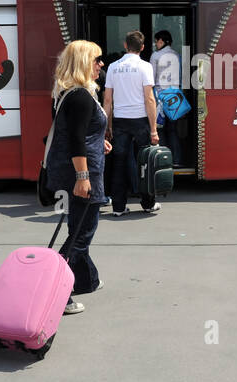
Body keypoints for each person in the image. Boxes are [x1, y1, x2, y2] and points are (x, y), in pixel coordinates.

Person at [45, 40, 112, 314]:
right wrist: (83, 177)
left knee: (79, 229)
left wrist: (100, 141)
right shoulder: (81, 97)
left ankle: (87, 280)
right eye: (97, 59)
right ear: (85, 62)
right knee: (81, 234)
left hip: (74, 170)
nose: (101, 64)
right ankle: (57, 293)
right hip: (83, 175)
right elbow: (75, 139)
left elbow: (80, 134)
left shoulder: (67, 94)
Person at [103, 30, 160, 216]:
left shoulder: (112, 67)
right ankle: (148, 203)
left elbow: (108, 101)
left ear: (125, 45)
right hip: (141, 120)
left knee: (119, 163)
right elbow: (149, 99)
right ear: (142, 47)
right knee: (145, 163)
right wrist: (153, 129)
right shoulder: (145, 67)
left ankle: (118, 207)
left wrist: (107, 127)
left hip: (119, 120)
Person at [150, 29, 183, 167]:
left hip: (160, 97)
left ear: (161, 41)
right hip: (175, 96)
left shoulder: (156, 56)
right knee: (173, 130)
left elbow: (150, 78)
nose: (156, 44)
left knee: (160, 129)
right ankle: (176, 160)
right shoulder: (177, 55)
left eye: (156, 41)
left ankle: (163, 161)